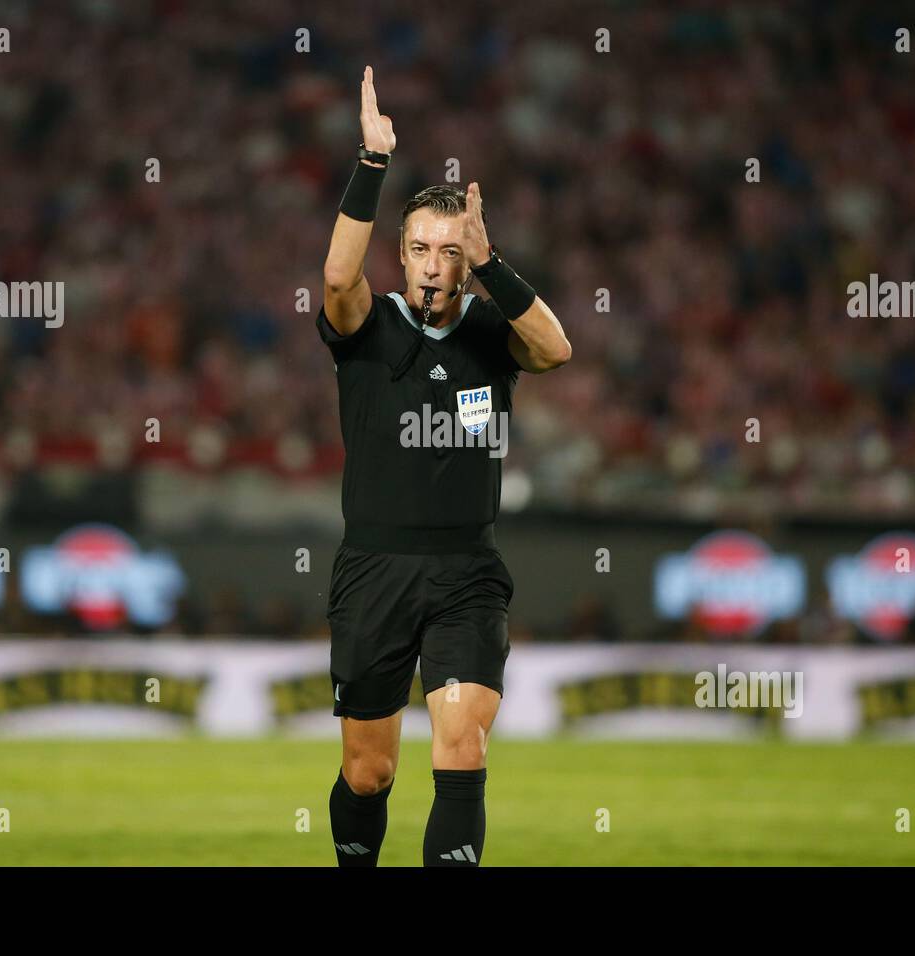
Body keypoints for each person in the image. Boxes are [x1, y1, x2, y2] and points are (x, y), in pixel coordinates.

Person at [318, 65, 571, 866]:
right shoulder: (368, 328)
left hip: (466, 571)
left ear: (468, 260)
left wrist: (493, 260)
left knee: (461, 749)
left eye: (449, 251)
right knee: (371, 769)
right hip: (375, 570)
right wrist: (371, 163)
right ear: (401, 253)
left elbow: (558, 349)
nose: (433, 263)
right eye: (420, 248)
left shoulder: (493, 333)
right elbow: (335, 277)